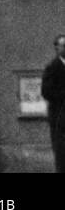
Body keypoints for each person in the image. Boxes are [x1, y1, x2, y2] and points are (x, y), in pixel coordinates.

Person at [42, 34, 65, 174]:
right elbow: (46, 92)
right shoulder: (52, 67)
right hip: (59, 117)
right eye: (64, 45)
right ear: (57, 48)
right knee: (62, 152)